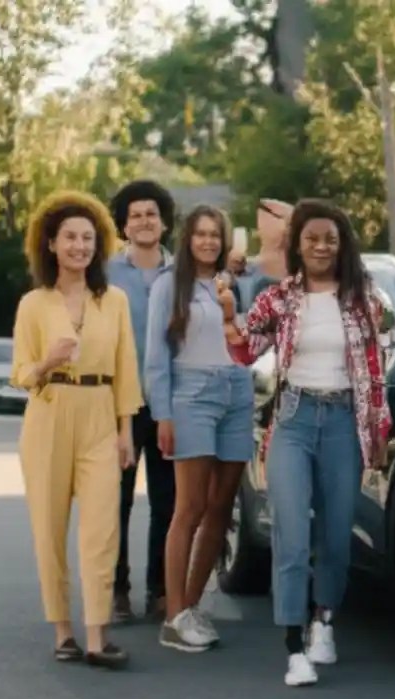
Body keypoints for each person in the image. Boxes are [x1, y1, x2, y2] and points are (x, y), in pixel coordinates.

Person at [222, 198, 392, 687]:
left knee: (335, 537)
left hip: (343, 422)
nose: (320, 246)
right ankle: (294, 647)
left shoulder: (366, 299)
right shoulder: (280, 297)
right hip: (293, 421)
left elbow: (376, 373)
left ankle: (325, 621)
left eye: (330, 239)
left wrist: (378, 429)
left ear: (343, 246)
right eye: (311, 238)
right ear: (297, 245)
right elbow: (245, 350)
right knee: (291, 536)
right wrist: (230, 312)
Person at [11, 189, 142, 669]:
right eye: (70, 237)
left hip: (100, 413)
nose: (79, 246)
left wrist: (126, 429)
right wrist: (47, 361)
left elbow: (127, 367)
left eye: (88, 238)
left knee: (102, 529)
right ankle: (63, 631)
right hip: (49, 412)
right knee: (49, 528)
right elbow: (21, 372)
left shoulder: (116, 302)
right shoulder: (33, 304)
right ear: (51, 244)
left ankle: (97, 636)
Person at [144, 204, 256, 653]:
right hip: (192, 394)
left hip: (237, 392)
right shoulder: (169, 285)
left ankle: (190, 608)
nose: (208, 241)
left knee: (221, 506)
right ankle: (173, 616)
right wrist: (162, 413)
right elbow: (155, 355)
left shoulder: (233, 285)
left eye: (216, 234)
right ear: (188, 239)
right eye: (200, 234)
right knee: (188, 507)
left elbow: (244, 342)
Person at [107, 179, 178, 623]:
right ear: (123, 225)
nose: (144, 221)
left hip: (170, 403)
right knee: (116, 501)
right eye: (135, 215)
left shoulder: (183, 272)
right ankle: (116, 591)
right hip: (121, 406)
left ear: (164, 220)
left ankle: (160, 591)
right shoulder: (109, 274)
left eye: (151, 213)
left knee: (168, 502)